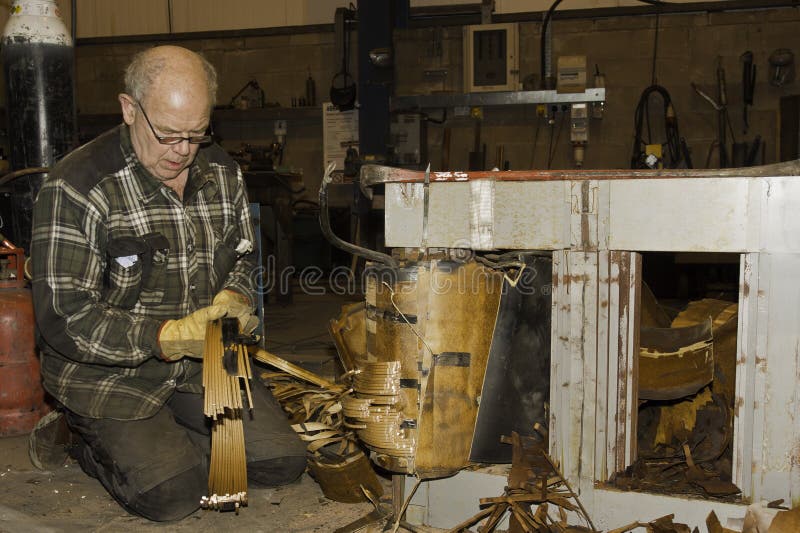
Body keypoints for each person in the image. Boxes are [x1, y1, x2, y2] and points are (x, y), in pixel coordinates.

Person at [29, 45, 306, 521]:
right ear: (129, 109)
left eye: (196, 134)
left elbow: (242, 253)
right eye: (169, 134)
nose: (183, 151)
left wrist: (235, 295)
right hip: (111, 375)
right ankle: (77, 435)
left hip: (205, 364)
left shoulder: (221, 172)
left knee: (280, 463)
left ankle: (174, 438)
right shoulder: (77, 186)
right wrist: (168, 337)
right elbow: (66, 318)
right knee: (173, 495)